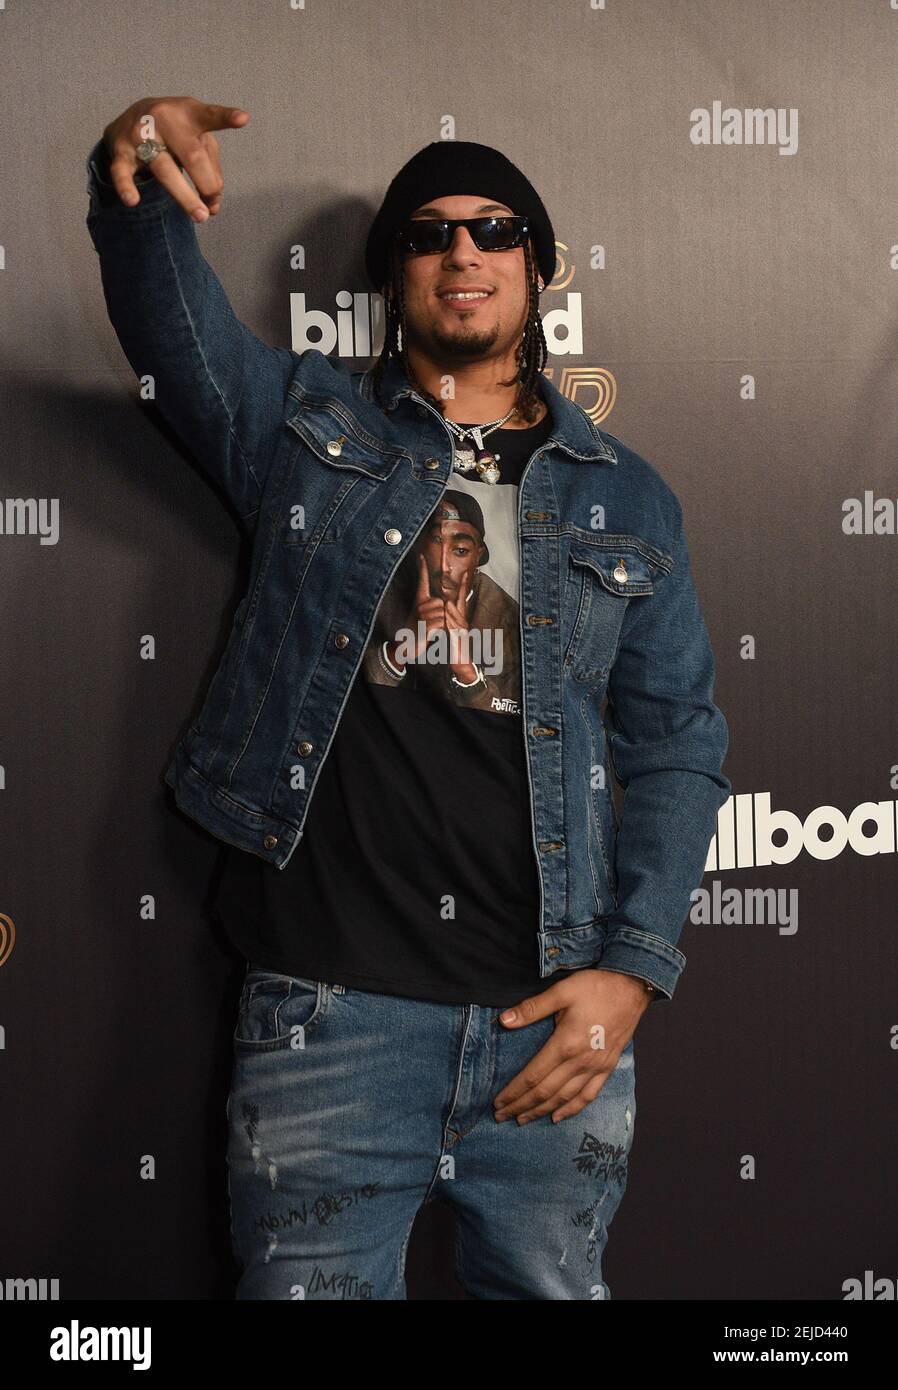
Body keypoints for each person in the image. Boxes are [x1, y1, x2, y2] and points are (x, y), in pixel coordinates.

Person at [86, 96, 731, 1300]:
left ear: (537, 269)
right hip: (329, 1021)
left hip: (553, 1027)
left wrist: (633, 974)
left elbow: (680, 745)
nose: (462, 252)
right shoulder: (304, 426)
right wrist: (134, 189)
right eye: (428, 235)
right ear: (397, 277)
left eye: (494, 229)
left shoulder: (627, 498)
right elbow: (172, 338)